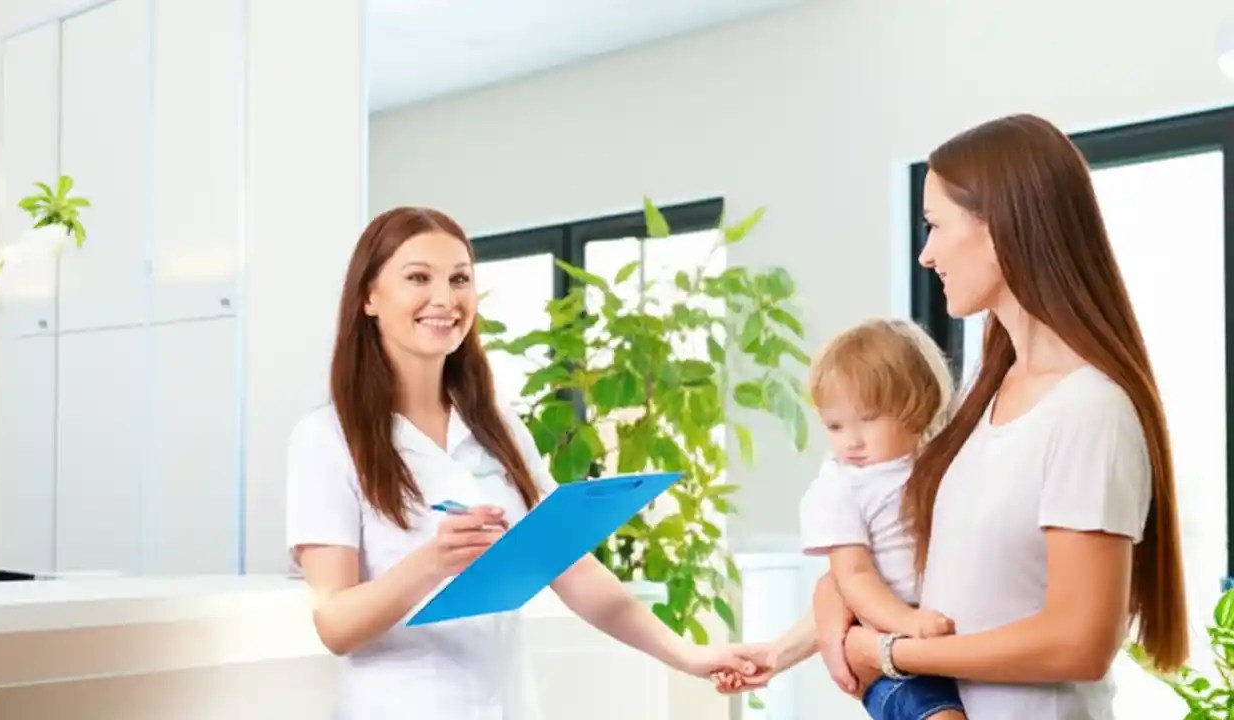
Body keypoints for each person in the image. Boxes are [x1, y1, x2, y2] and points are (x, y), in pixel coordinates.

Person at [285, 206, 764, 720]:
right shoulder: (326, 439)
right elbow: (334, 622)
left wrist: (691, 656)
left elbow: (572, 570)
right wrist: (431, 563)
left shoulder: (498, 427)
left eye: (460, 279)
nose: (444, 299)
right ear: (369, 296)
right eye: (418, 278)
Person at [823, 114, 1188, 718]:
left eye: (936, 226)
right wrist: (835, 600)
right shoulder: (987, 399)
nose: (925, 253)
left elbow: (1078, 643)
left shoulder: (1088, 409)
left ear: (1001, 228)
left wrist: (894, 653)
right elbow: (935, 574)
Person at [714, 318, 968, 720]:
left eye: (868, 419)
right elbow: (853, 578)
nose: (852, 440)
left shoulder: (937, 463)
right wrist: (909, 622)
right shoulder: (840, 486)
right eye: (835, 426)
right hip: (898, 656)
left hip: (939, 643)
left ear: (915, 406)